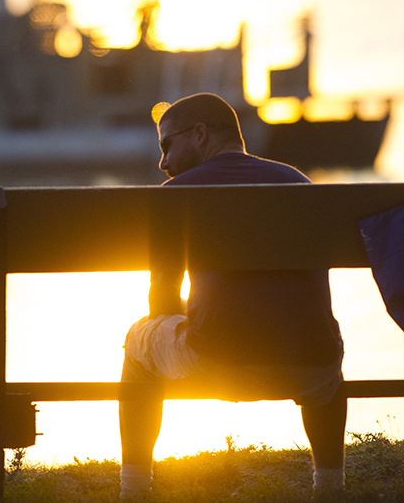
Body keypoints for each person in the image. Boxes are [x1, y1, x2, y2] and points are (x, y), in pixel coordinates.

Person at [119, 93, 346, 500]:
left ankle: (133, 490)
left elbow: (164, 297)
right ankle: (330, 486)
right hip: (313, 366)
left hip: (217, 359)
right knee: (321, 334)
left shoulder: (177, 194)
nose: (163, 163)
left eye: (167, 145)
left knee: (139, 339)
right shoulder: (298, 183)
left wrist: (187, 326)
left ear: (200, 134)